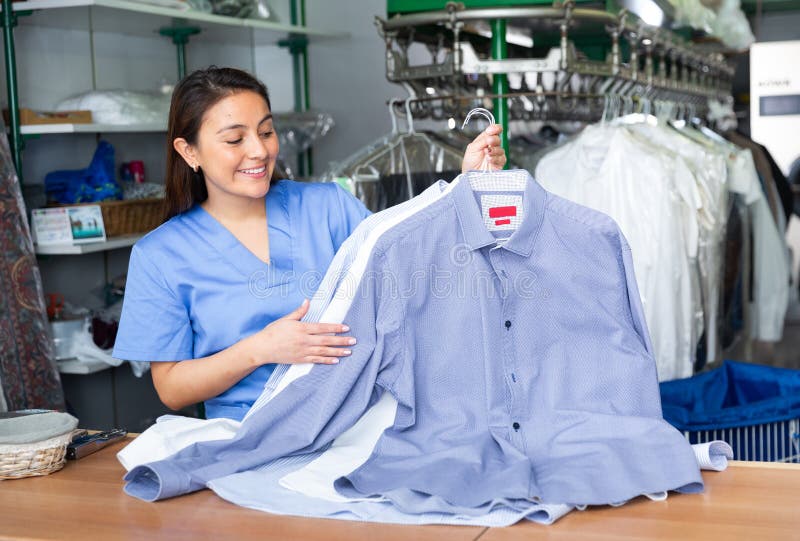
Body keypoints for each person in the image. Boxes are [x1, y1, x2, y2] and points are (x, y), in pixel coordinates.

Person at [112, 67, 507, 421]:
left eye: (266, 132)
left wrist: (466, 188)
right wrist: (261, 349)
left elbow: (411, 265)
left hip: (360, 422)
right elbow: (172, 389)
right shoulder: (160, 256)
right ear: (189, 151)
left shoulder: (327, 206)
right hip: (246, 436)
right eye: (235, 139)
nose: (259, 150)